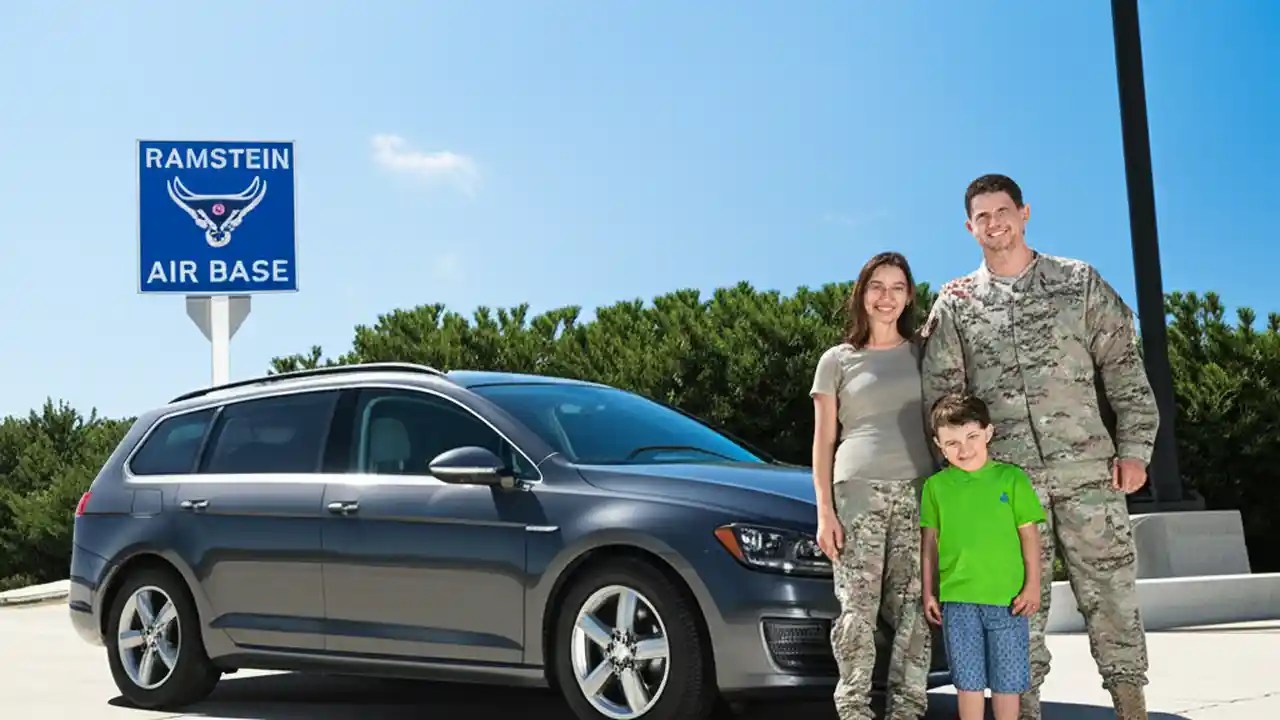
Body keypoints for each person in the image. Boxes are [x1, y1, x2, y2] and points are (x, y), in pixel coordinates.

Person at [920, 173, 1159, 720]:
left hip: (1089, 474)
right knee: (1015, 609)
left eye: (1003, 211)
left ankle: (1131, 706)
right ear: (969, 227)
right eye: (982, 216)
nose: (994, 223)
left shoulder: (1078, 282)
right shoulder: (956, 302)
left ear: (1024, 213)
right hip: (1004, 487)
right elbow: (942, 396)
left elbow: (1123, 368)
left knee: (1112, 596)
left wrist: (1135, 448)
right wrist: (962, 477)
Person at [810, 251, 936, 720]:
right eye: (877, 286)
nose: (887, 297)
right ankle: (854, 710)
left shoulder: (925, 354)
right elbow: (823, 442)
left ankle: (907, 711)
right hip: (857, 494)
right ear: (862, 294)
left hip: (919, 493)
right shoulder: (836, 360)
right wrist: (825, 511)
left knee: (914, 611)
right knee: (856, 613)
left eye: (897, 287)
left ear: (909, 296)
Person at [920, 393, 1046, 720]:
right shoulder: (935, 487)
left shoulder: (1012, 479)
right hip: (958, 601)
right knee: (968, 683)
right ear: (939, 445)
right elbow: (929, 544)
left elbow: (1030, 537)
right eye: (952, 443)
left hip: (1008, 601)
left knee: (1007, 684)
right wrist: (928, 592)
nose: (964, 449)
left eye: (972, 437)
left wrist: (1033, 586)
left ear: (988, 432)